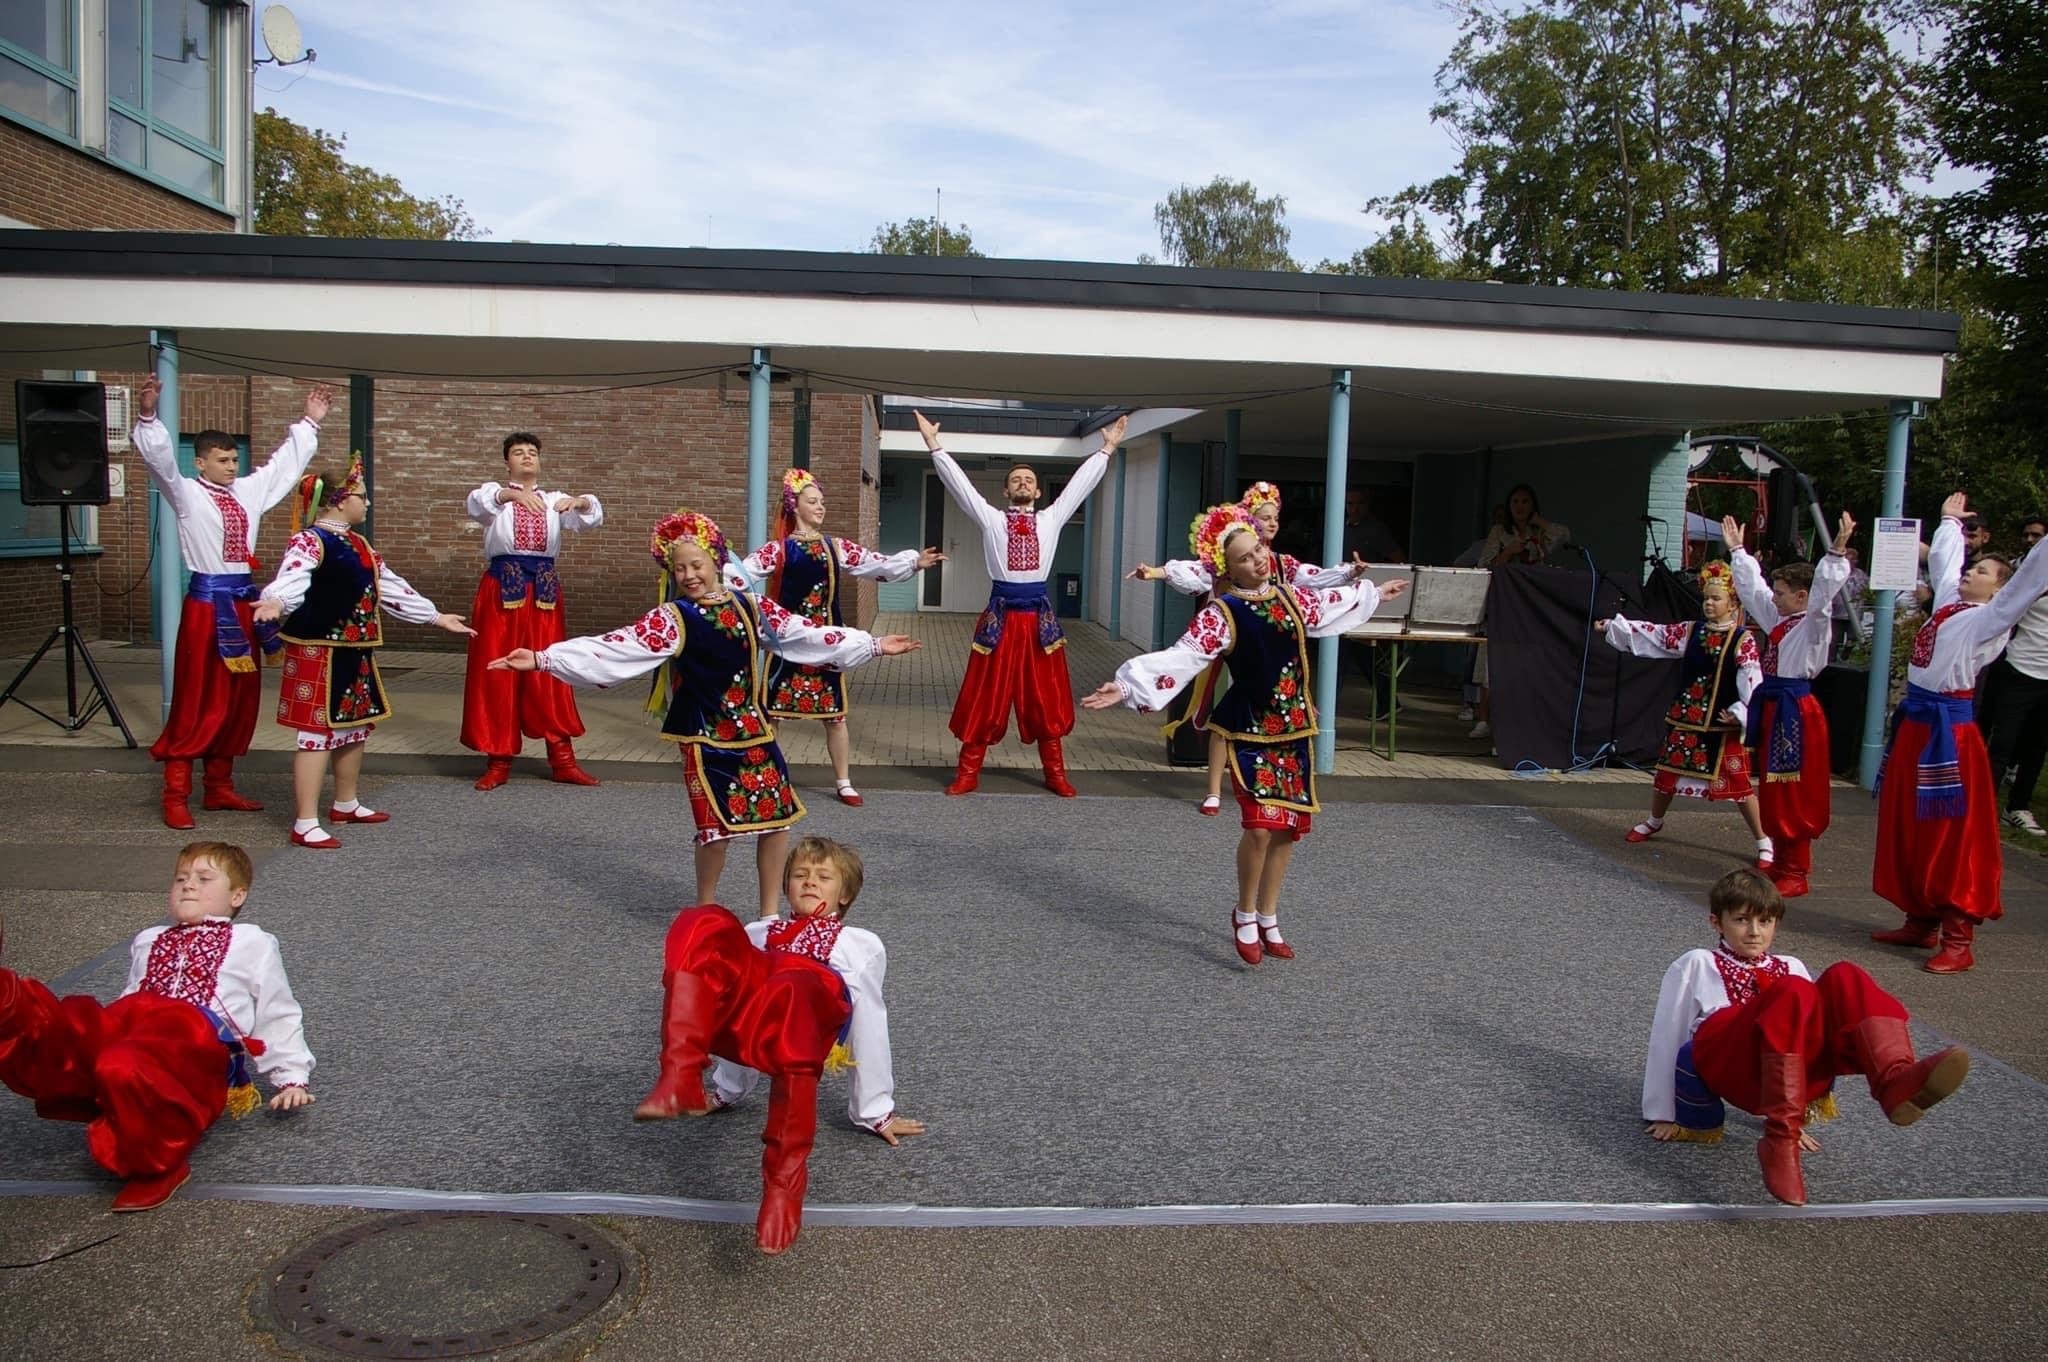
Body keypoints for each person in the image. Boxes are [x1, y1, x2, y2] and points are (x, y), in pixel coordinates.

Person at [488, 508, 920, 920]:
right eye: (680, 569)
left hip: (755, 730)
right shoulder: (675, 617)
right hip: (702, 734)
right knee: (715, 831)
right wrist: (545, 659)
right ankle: (706, 909)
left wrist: (873, 645)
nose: (689, 575)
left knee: (777, 822)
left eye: (696, 564)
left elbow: (806, 635)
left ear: (716, 560)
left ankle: (768, 914)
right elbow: (616, 646)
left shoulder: (753, 607)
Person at [1084, 505, 1403, 964]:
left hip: (1295, 728)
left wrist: (1374, 594)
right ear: (1225, 568)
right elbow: (1185, 655)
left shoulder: (1291, 597)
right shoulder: (1222, 612)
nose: (1256, 561)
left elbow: (1332, 604)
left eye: (1258, 552)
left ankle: (1270, 917)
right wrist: (1129, 683)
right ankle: (1245, 911)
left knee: (1288, 832)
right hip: (1252, 730)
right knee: (1259, 827)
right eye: (1244, 558)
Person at [636, 837, 923, 1255]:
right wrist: (727, 1089)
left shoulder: (859, 943)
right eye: (800, 875)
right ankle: (680, 1073)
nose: (810, 882)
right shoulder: (759, 932)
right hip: (761, 1008)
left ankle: (783, 1187)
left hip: (810, 1015)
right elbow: (741, 999)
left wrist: (874, 1109)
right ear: (785, 884)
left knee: (793, 987)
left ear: (844, 895)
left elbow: (870, 1020)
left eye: (824, 877)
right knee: (702, 921)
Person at [0, 841, 314, 1212]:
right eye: (180, 878)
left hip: (197, 1035)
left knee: (124, 1062)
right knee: (78, 1031)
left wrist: (291, 1076)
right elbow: (131, 996)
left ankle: (156, 1166)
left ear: (237, 895)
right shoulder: (149, 939)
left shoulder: (251, 941)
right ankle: (14, 1004)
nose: (188, 885)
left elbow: (277, 1009)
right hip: (139, 1020)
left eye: (203, 878)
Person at [1642, 868, 1969, 1207]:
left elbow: (1806, 1040)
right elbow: (1669, 1032)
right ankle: (1780, 1134)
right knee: (1794, 993)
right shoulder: (1698, 963)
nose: (1754, 932)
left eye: (1765, 922)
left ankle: (1893, 1078)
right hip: (1726, 1060)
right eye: (1741, 920)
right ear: (1716, 923)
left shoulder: (1791, 965)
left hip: (1771, 1072)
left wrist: (1799, 1116)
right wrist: (1664, 1111)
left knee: (1846, 975)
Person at [132, 377, 333, 830]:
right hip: (207, 606)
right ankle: (176, 792)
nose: (230, 466)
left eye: (233, 459)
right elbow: (161, 464)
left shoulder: (246, 492)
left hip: (243, 603)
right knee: (198, 695)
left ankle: (219, 787)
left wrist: (309, 423)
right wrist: (148, 417)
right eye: (222, 460)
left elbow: (281, 469)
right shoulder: (186, 494)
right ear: (200, 461)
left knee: (238, 698)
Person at [254, 458, 476, 850]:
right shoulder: (310, 540)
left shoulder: (360, 544)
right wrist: (275, 601)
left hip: (354, 647)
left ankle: (346, 801)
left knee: (355, 727)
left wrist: (436, 617)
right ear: (340, 501)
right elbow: (292, 575)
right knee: (317, 734)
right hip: (319, 649)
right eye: (363, 496)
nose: (368, 503)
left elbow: (390, 587)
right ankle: (305, 821)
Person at [1871, 494, 2048, 972]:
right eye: (1976, 568)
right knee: (1910, 822)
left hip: (1950, 733)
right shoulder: (1950, 606)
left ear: (1998, 592)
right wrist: (1949, 523)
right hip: (1919, 727)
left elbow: (2027, 582)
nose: (1973, 573)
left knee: (1953, 833)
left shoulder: (1989, 621)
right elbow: (1947, 565)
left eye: (1984, 572)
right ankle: (1919, 918)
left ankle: (1958, 936)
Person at [917, 410, 1128, 797]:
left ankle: (1056, 773)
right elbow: (961, 487)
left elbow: (1079, 488)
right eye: (1016, 480)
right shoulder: (992, 520)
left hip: (1039, 623)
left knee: (1045, 698)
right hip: (999, 621)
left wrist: (1107, 449)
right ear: (1005, 491)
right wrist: (934, 445)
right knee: (985, 695)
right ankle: (967, 773)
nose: (1023, 483)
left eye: (1029, 480)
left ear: (1038, 491)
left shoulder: (1051, 519)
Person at [1129, 482, 1366, 814]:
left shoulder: (1282, 564)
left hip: (1273, 648)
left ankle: (1271, 782)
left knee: (1270, 704)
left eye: (1275, 518)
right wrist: (1156, 572)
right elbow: (1194, 571)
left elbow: (1317, 580)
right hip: (1233, 643)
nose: (1271, 524)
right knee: (1226, 713)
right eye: (1263, 518)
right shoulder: (1223, 565)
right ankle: (1214, 789)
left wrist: (1350, 575)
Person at [738, 468, 943, 806]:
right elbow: (740, 574)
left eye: (822, 502)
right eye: (812, 501)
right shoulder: (778, 550)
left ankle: (844, 781)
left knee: (835, 716)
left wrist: (914, 563)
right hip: (789, 644)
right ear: (794, 507)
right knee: (772, 712)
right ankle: (765, 775)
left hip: (829, 642)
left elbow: (874, 564)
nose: (821, 507)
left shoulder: (835, 547)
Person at [1598, 560, 1772, 866]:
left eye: (1716, 598)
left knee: (1740, 786)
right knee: (1666, 776)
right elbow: (1655, 634)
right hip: (1687, 717)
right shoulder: (1691, 631)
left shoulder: (1743, 640)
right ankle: (1655, 820)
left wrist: (1741, 711)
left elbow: (1752, 679)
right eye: (1706, 597)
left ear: (1733, 603)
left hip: (1722, 723)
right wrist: (1614, 626)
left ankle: (1762, 839)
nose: (1708, 603)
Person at [461, 432, 606, 791]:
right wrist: (510, 494)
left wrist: (581, 501)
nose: (526, 457)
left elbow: (592, 515)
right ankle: (498, 760)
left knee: (550, 666)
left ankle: (562, 759)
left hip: (543, 590)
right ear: (507, 461)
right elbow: (476, 503)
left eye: (532, 452)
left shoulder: (555, 499)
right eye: (518, 452)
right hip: (502, 587)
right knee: (498, 668)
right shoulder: (496, 498)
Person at [1723, 512, 1857, 898]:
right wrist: (1738, 551)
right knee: (1775, 785)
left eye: (1783, 592)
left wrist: (1834, 554)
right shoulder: (1781, 620)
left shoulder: (1814, 624)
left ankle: (1796, 868)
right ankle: (1781, 860)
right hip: (1777, 706)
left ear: (1802, 596)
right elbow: (1754, 592)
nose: (1775, 597)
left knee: (1795, 788)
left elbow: (1823, 598)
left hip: (1795, 710)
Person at [1470, 484, 1572, 739]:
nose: (1520, 507)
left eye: (1526, 502)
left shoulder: (1541, 533)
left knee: (1523, 662)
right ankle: (1484, 718)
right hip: (1504, 601)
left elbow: (1564, 535)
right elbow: (1484, 565)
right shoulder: (1500, 532)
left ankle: (1516, 719)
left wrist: (1538, 521)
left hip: (1529, 603)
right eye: (1515, 501)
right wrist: (1509, 551)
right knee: (1491, 663)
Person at [1975, 515, 2048, 838]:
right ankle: (1982, 804)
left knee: (2037, 746)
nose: (2030, 541)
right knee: (2002, 740)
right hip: (2019, 667)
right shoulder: (2028, 576)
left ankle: (2017, 806)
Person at [1340, 485, 1403, 564]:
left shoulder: (1376, 530)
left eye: (1360, 503)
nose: (1355, 509)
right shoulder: (1338, 528)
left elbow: (1399, 559)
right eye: (1350, 503)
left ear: (1367, 504)